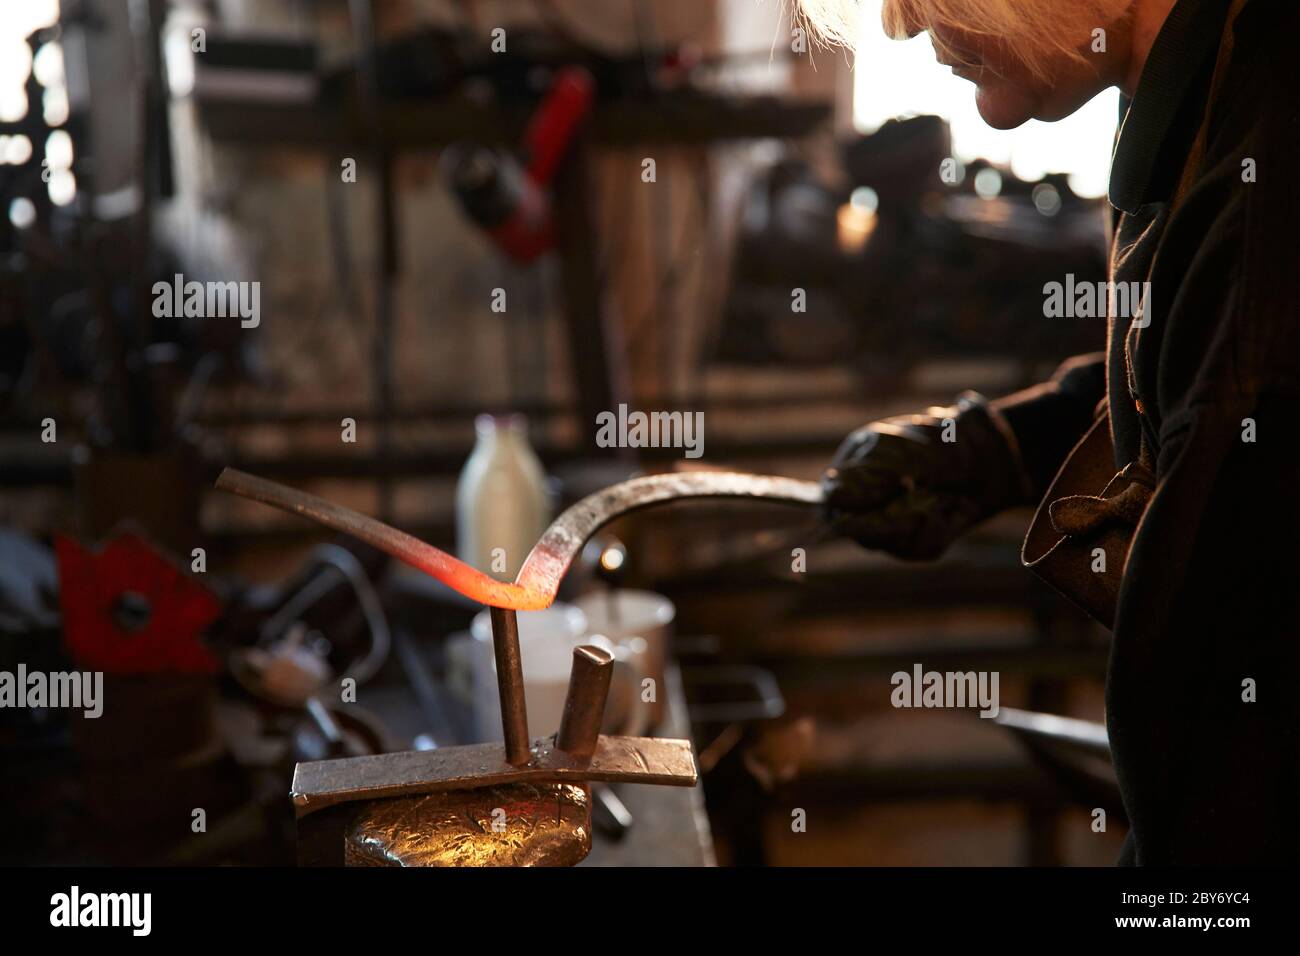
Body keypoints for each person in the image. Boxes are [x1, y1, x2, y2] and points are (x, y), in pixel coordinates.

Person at [802, 0, 1300, 864]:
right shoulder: (1195, 84)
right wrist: (1004, 447)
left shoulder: (1270, 164)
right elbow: (1183, 356)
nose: (901, 29)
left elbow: (1220, 751)